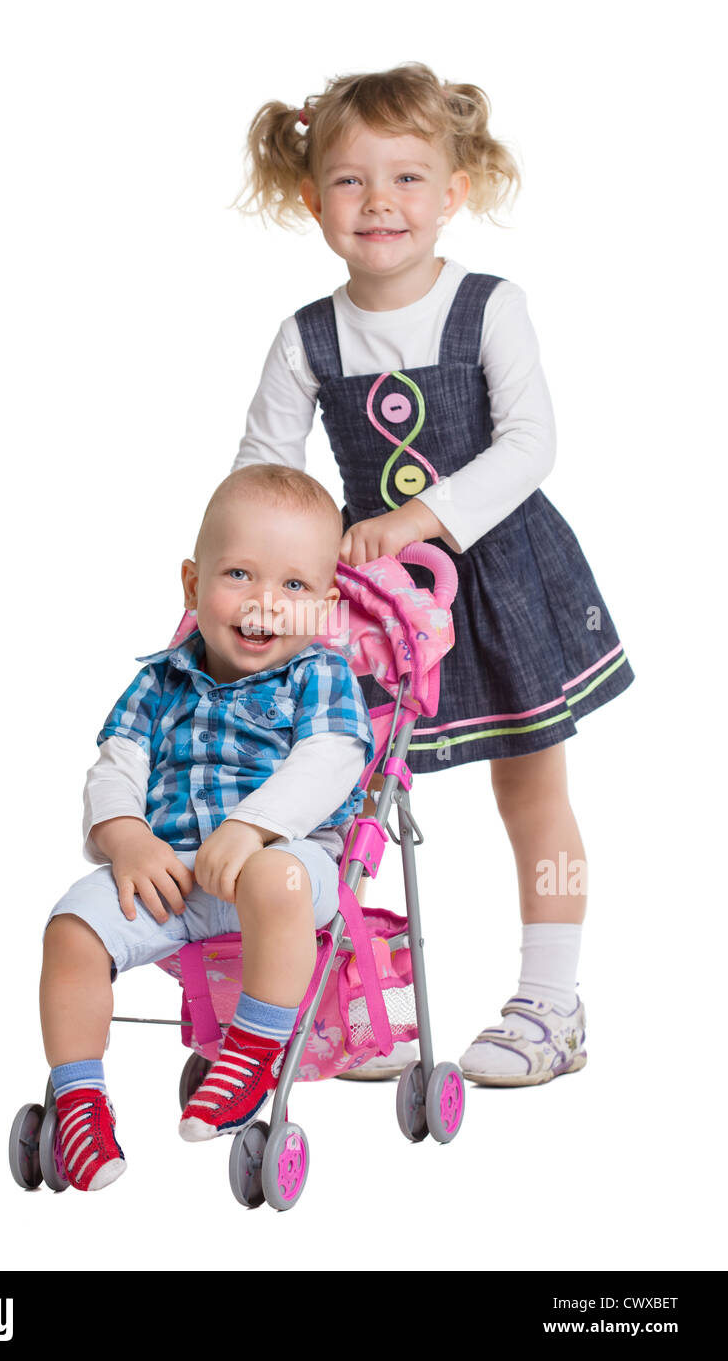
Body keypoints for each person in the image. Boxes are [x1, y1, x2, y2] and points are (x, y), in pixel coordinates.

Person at [233, 63, 633, 1087]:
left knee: (530, 789)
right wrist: (267, 577)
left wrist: (415, 516)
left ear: (453, 191)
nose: (379, 206)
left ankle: (549, 1000)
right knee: (333, 787)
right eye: (350, 183)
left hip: (497, 583)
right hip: (373, 607)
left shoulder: (488, 306)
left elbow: (529, 444)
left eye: (407, 179)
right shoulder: (306, 337)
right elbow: (263, 473)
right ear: (309, 193)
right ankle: (357, 995)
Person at [39, 465, 374, 1189]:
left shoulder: (319, 677)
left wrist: (253, 827)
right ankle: (79, 1101)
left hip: (287, 869)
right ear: (192, 586)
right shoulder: (159, 681)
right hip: (172, 875)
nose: (262, 603)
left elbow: (333, 757)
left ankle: (251, 1054)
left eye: (292, 587)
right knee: (71, 926)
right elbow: (115, 767)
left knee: (275, 876)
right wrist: (126, 836)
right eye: (240, 574)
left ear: (322, 607)